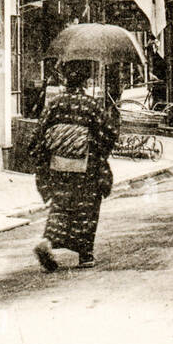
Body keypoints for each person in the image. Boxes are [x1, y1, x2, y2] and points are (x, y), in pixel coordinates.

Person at [30, 60, 119, 271]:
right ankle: (85, 254)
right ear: (85, 81)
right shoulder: (91, 105)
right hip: (84, 167)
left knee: (60, 206)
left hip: (57, 165)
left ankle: (48, 241)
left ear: (66, 80)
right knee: (86, 208)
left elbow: (39, 135)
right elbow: (109, 134)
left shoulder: (55, 103)